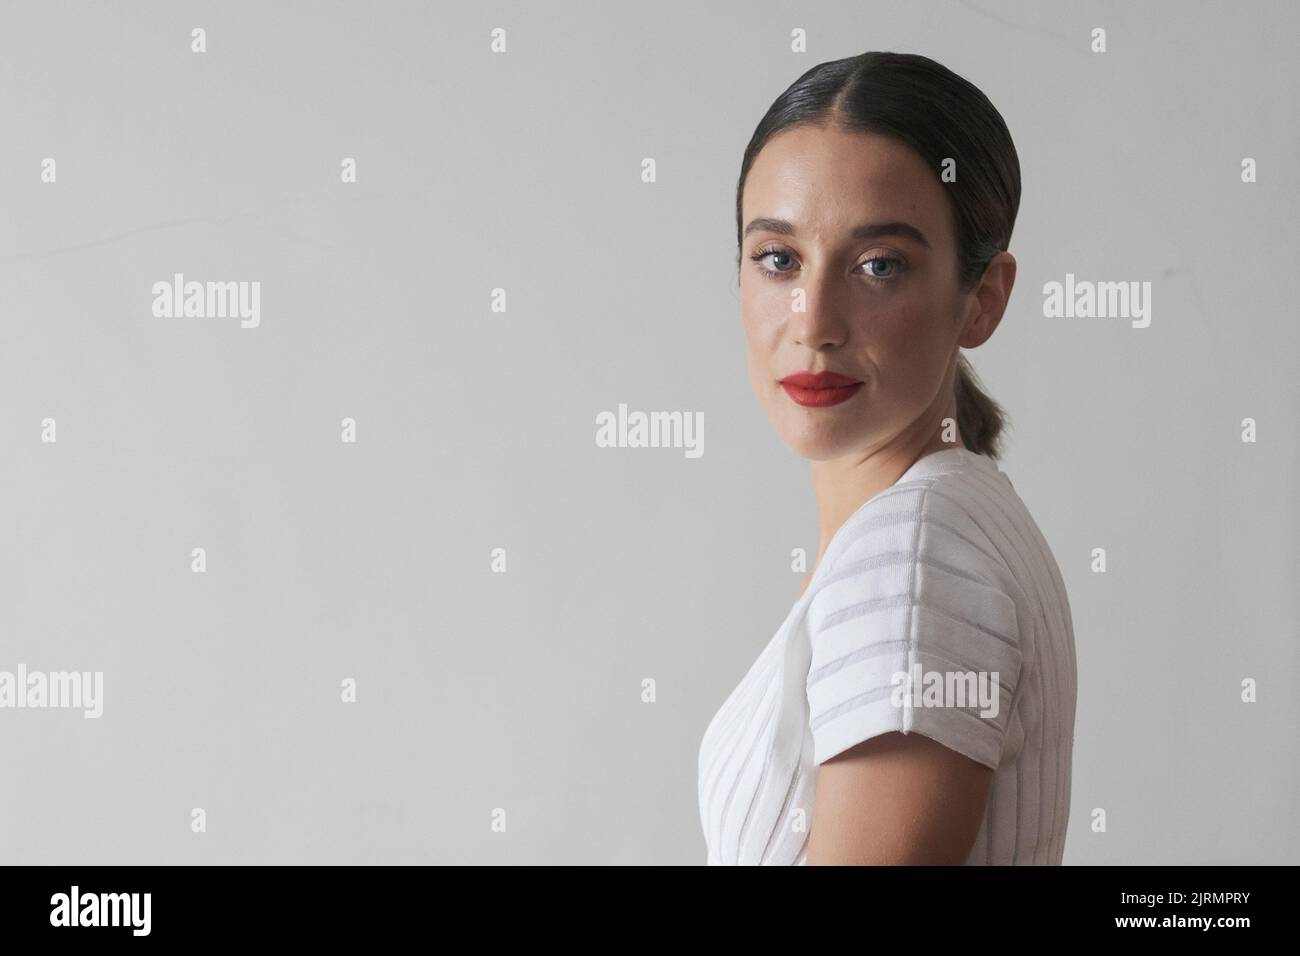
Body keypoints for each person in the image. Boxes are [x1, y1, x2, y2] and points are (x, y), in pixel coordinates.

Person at [697, 51, 1077, 865]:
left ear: (982, 299)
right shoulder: (939, 523)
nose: (814, 321)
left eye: (879, 266)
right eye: (779, 259)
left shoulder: (913, 557)